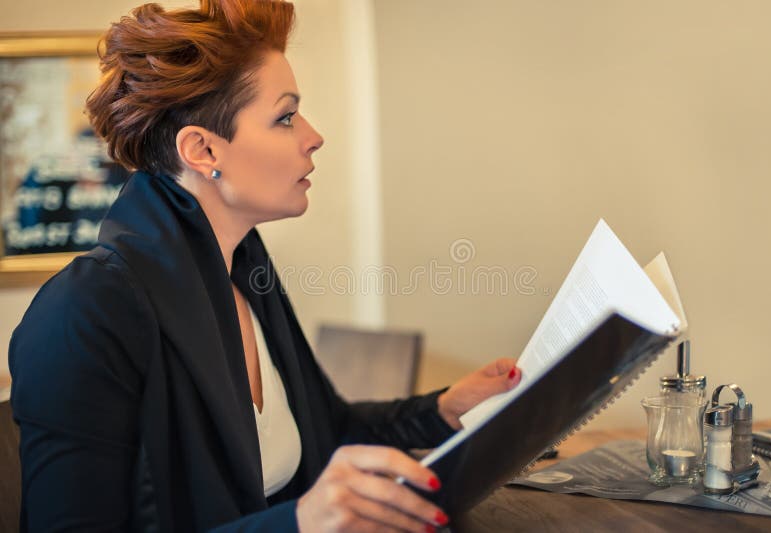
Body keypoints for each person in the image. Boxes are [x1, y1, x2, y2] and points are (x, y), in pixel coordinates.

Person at [8, 1, 521, 531]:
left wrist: (445, 411)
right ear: (204, 149)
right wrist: (299, 523)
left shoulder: (246, 269)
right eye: (285, 117)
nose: (313, 136)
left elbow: (330, 429)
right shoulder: (84, 313)